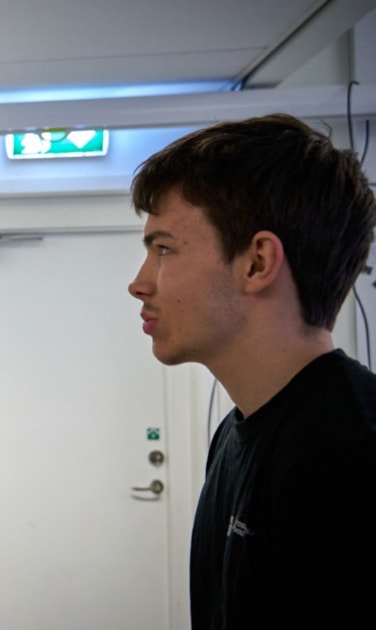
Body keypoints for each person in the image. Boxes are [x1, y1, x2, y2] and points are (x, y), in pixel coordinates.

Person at [127, 113, 376, 628]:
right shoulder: (236, 433)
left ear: (258, 263)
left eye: (165, 249)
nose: (140, 283)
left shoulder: (352, 455)